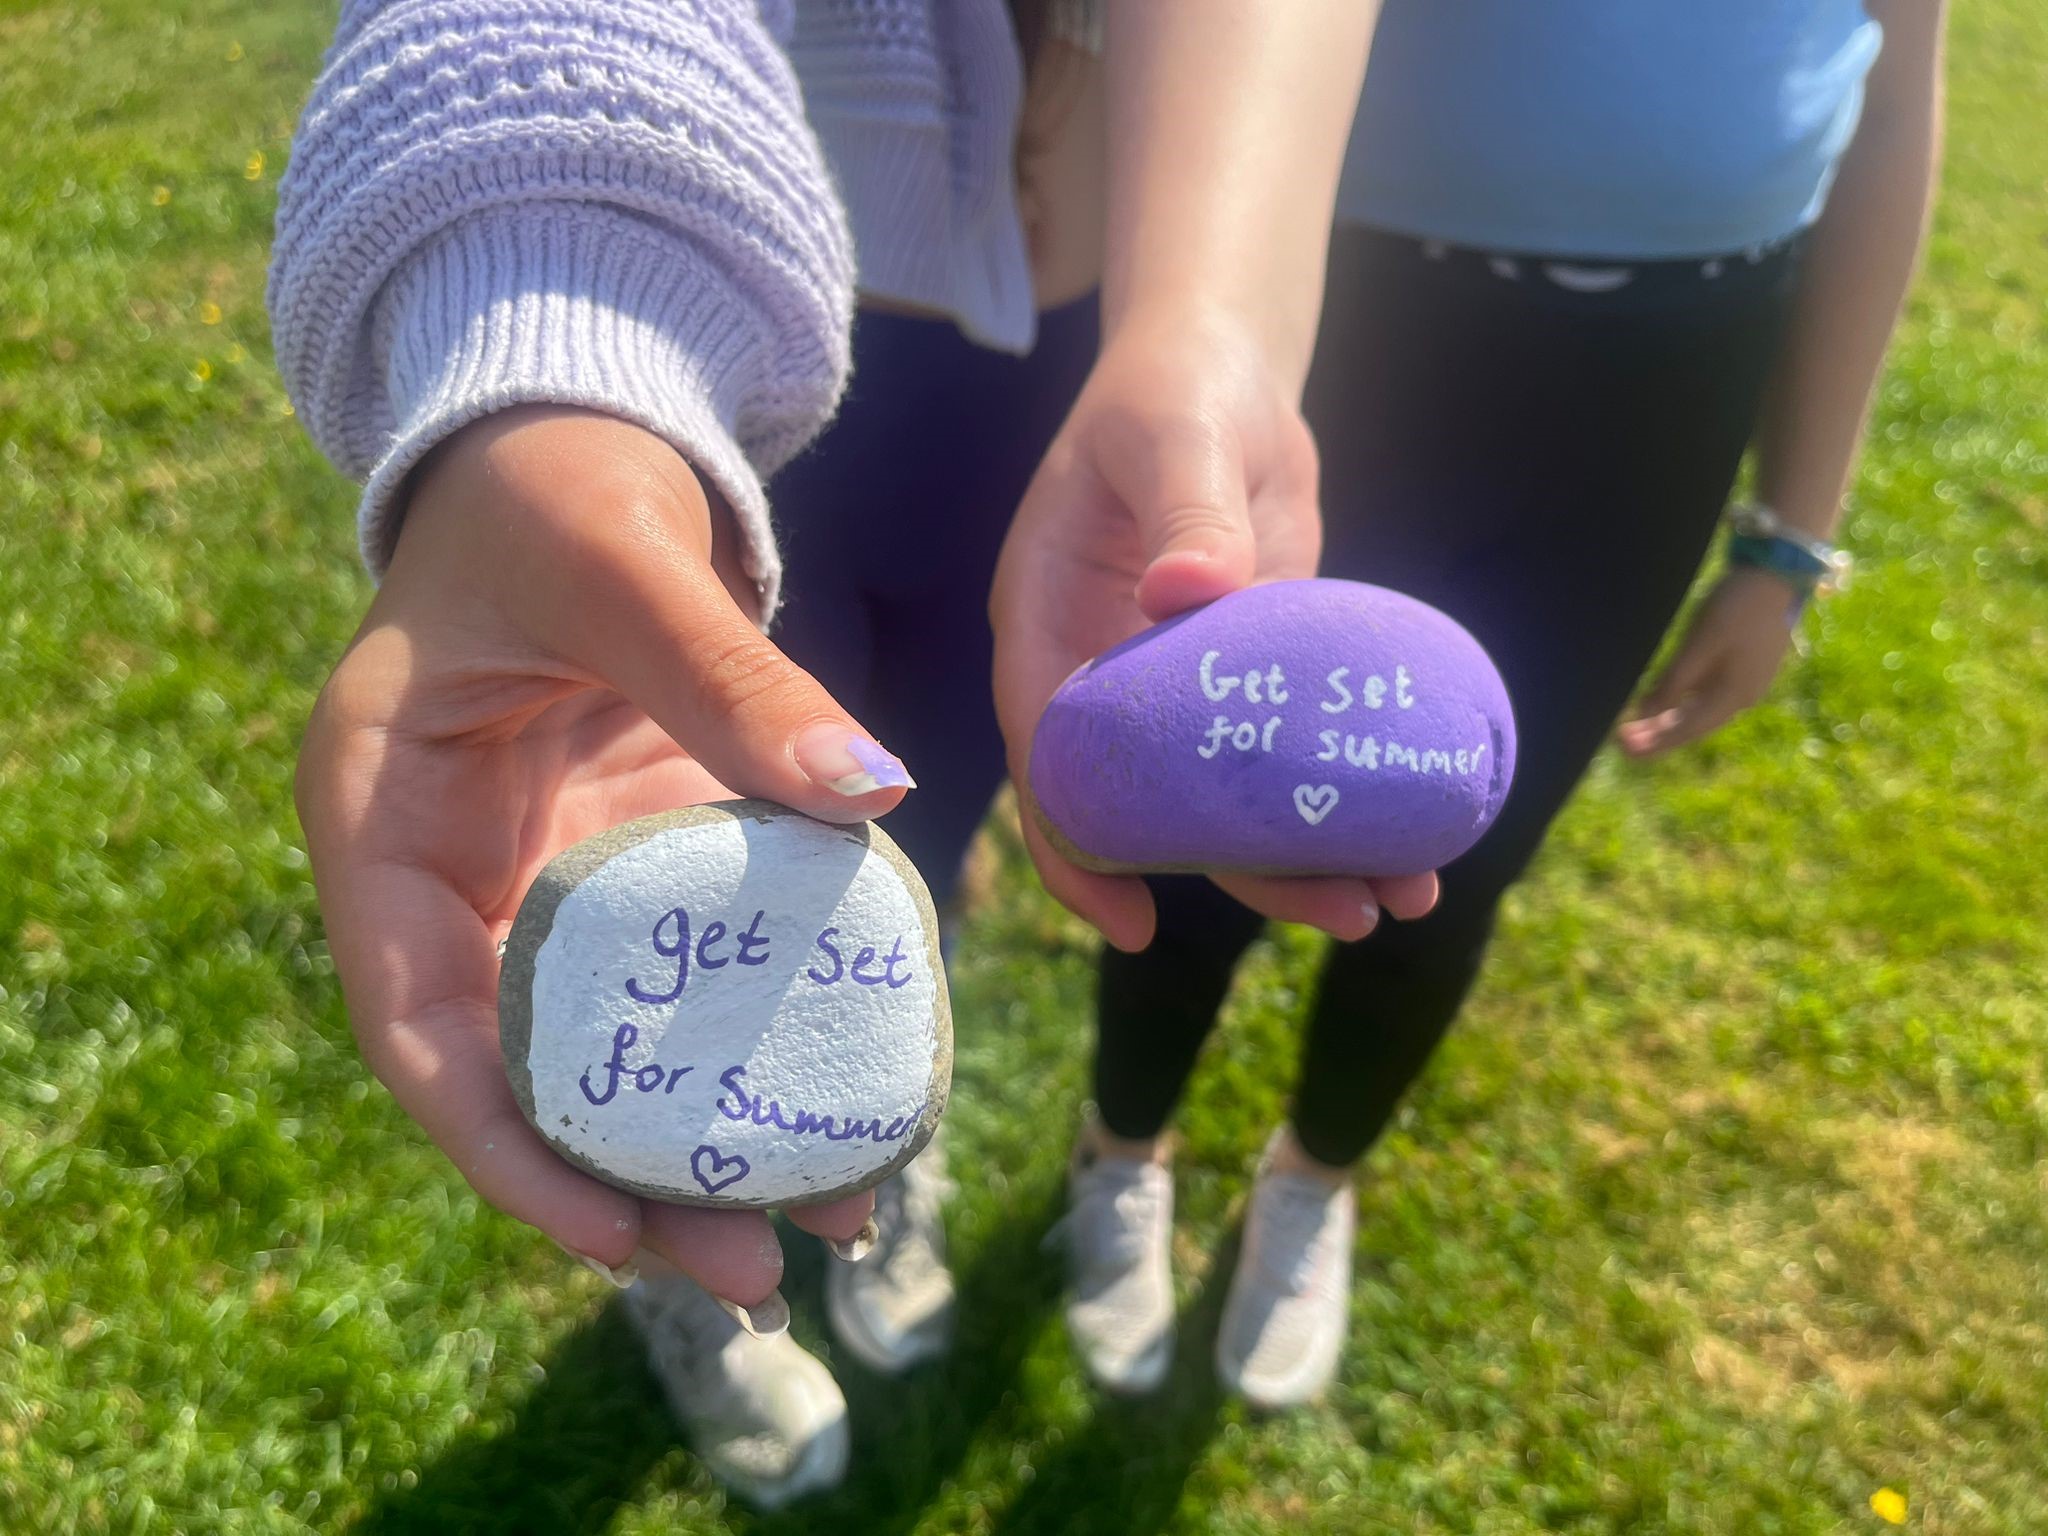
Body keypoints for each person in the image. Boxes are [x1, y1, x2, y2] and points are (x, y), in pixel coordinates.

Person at [274, 0, 1408, 1507]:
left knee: (888, 846)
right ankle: (678, 1220)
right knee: (684, 822)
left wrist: (1212, 323)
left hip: (1067, 374)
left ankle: (847, 1126)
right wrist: (562, 320)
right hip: (739, 365)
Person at [993, 0, 1947, 1410]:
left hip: (1690, 346)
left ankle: (1314, 1176)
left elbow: (1897, 77)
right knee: (1214, 800)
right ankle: (1122, 1148)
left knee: (1463, 840)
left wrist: (1790, 535)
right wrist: (1196, 322)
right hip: (1343, 283)